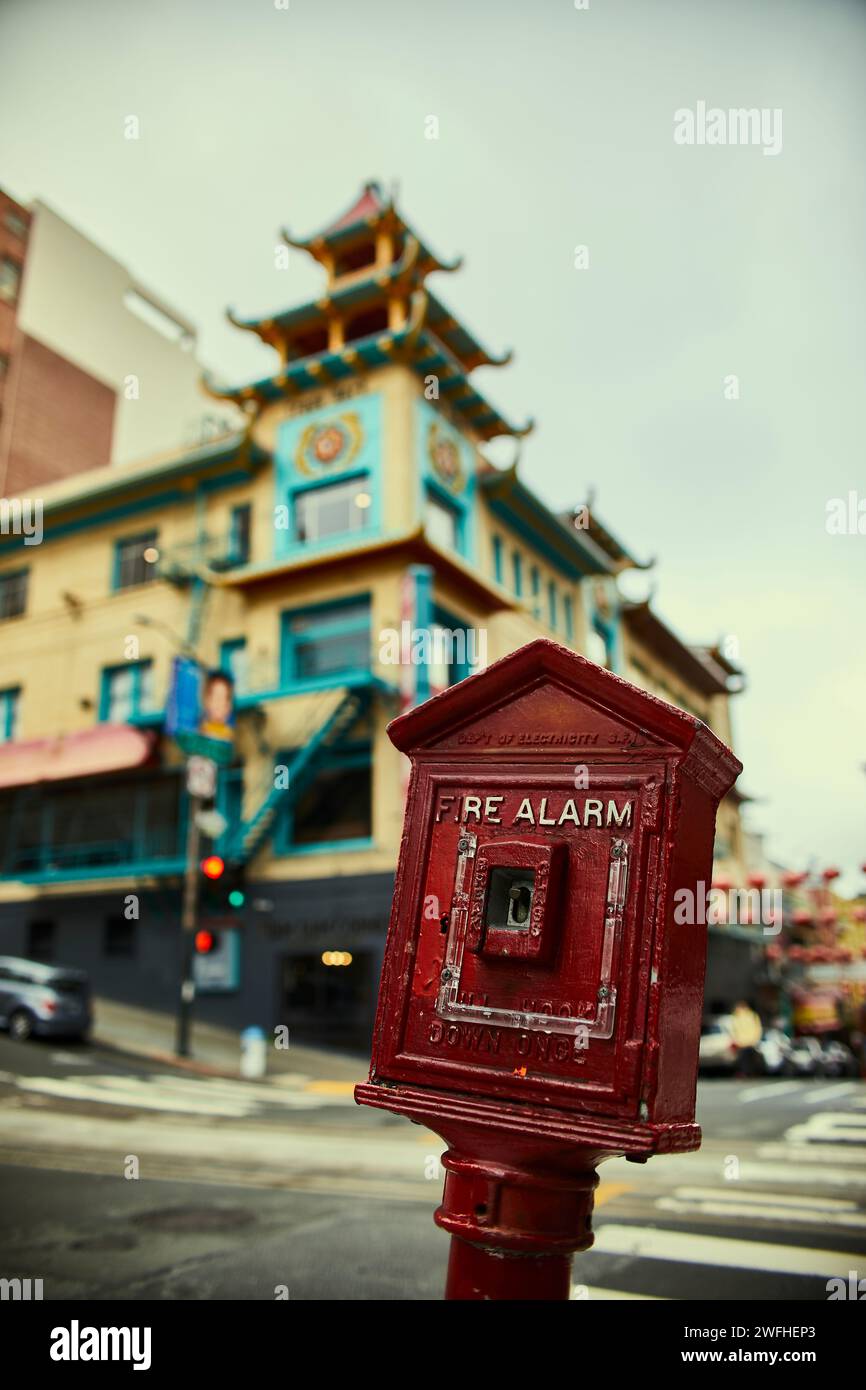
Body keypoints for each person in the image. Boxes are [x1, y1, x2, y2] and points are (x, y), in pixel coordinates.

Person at [730, 1000, 762, 1077]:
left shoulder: (737, 1016)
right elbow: (758, 1029)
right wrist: (756, 1039)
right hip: (750, 1042)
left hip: (742, 1042)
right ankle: (750, 1073)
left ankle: (745, 1073)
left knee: (743, 1059)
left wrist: (736, 1039)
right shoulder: (753, 1015)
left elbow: (733, 1029)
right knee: (750, 1059)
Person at [199, 671, 234, 741]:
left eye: (224, 698)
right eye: (216, 697)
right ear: (207, 701)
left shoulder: (232, 737)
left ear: (228, 706)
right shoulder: (198, 731)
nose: (219, 704)